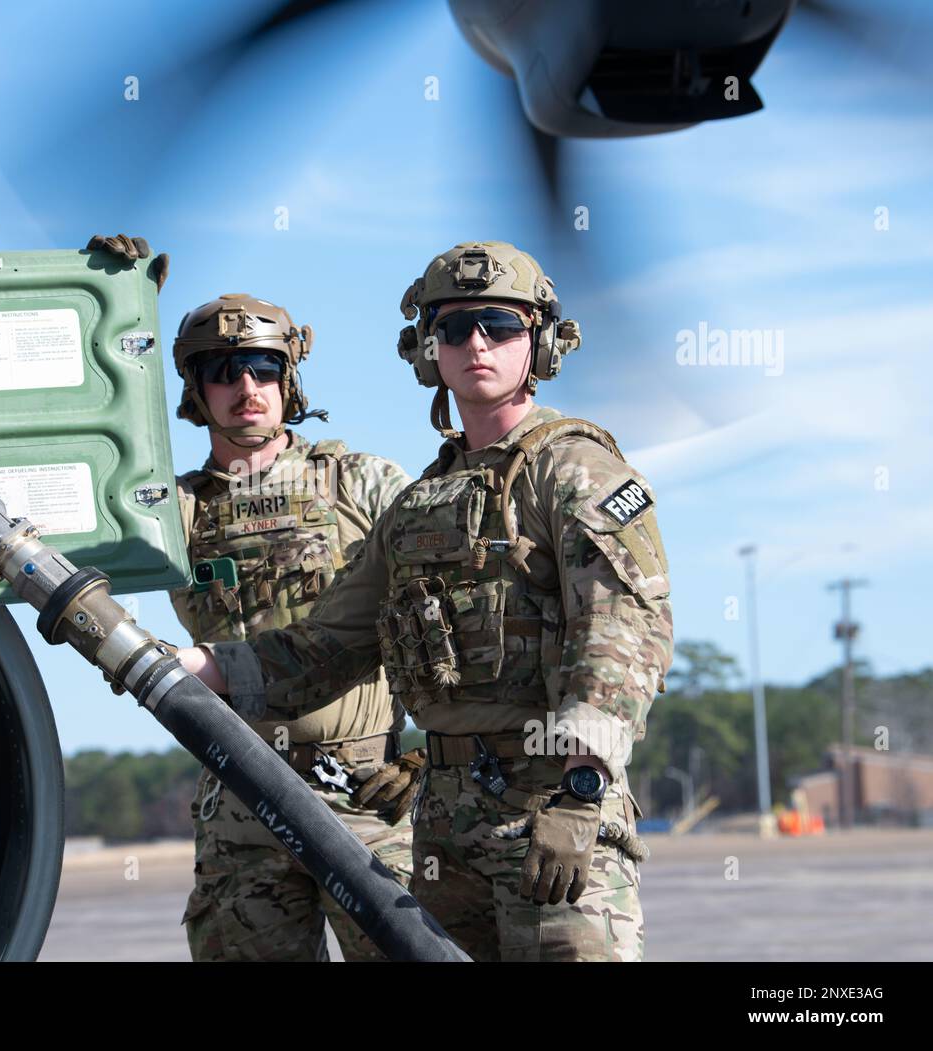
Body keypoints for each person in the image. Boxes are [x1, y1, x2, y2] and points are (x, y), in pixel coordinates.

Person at [178, 245, 673, 962]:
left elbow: (624, 628)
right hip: (444, 830)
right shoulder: (415, 507)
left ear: (540, 340)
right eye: (455, 327)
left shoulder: (573, 468)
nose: (477, 342)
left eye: (500, 324)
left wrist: (583, 787)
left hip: (554, 810)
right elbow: (328, 645)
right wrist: (189, 667)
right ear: (425, 350)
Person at [168, 293, 417, 961]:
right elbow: (63, 513)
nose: (246, 387)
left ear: (290, 377)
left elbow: (451, 607)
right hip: (239, 794)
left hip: (365, 793)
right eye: (222, 370)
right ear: (195, 389)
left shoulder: (363, 483)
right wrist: (110, 301)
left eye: (263, 366)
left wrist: (439, 754)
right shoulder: (168, 512)